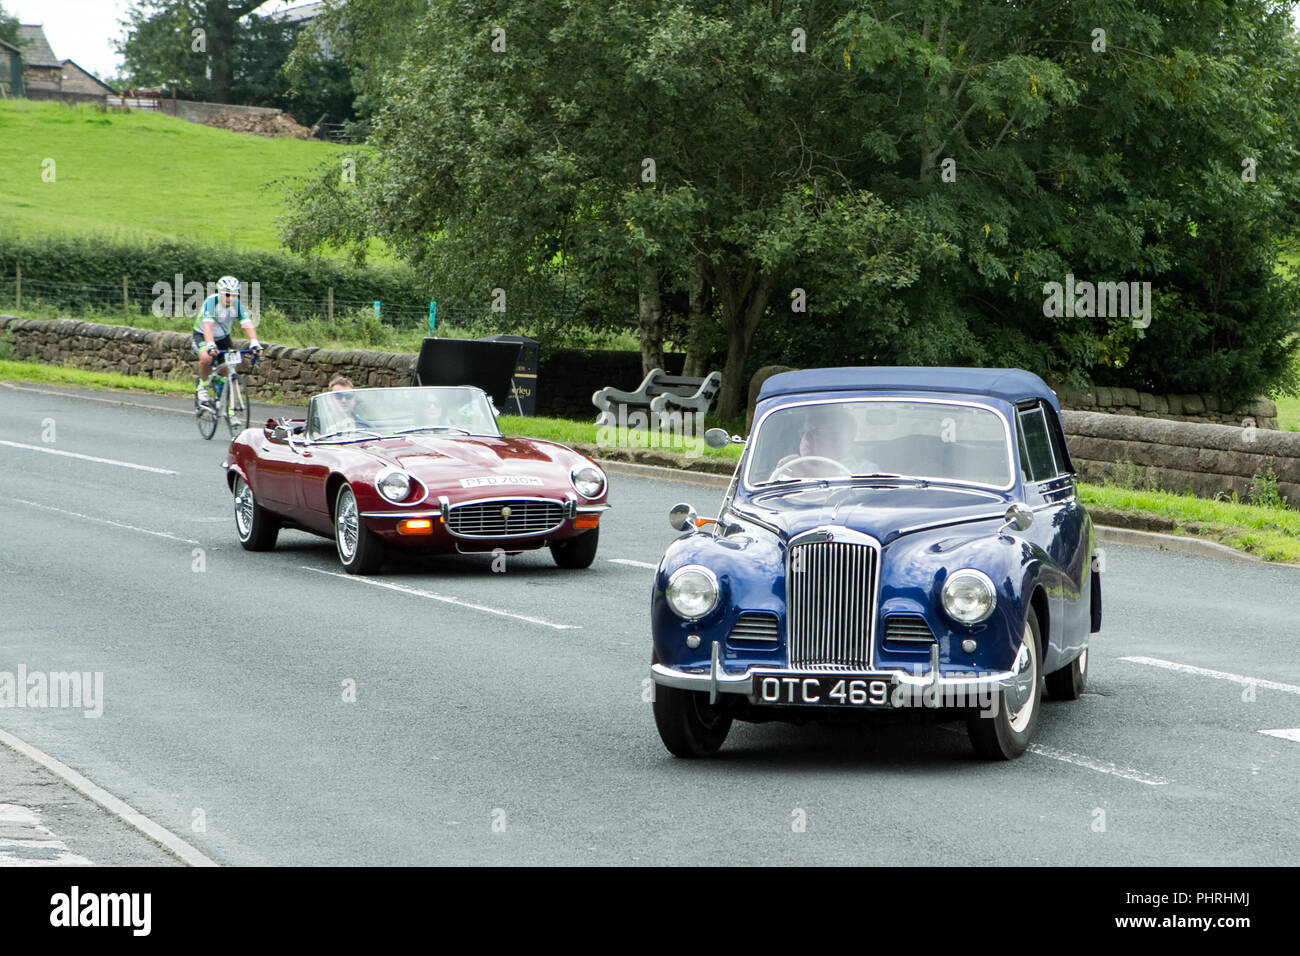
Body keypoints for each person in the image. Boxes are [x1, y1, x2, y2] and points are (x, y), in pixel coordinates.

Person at [193, 276, 261, 403]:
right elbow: (208, 326)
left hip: (224, 338)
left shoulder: (237, 305)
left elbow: (247, 324)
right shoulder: (212, 302)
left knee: (228, 371)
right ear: (220, 292)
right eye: (228, 294)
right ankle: (203, 385)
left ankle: (231, 411)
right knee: (207, 358)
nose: (231, 298)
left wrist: (254, 342)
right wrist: (211, 345)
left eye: (235, 295)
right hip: (202, 335)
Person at [771, 404, 879, 479]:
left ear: (840, 440)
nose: (806, 439)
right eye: (804, 432)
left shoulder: (865, 469)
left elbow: (867, 500)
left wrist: (809, 470)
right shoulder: (791, 468)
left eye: (815, 433)